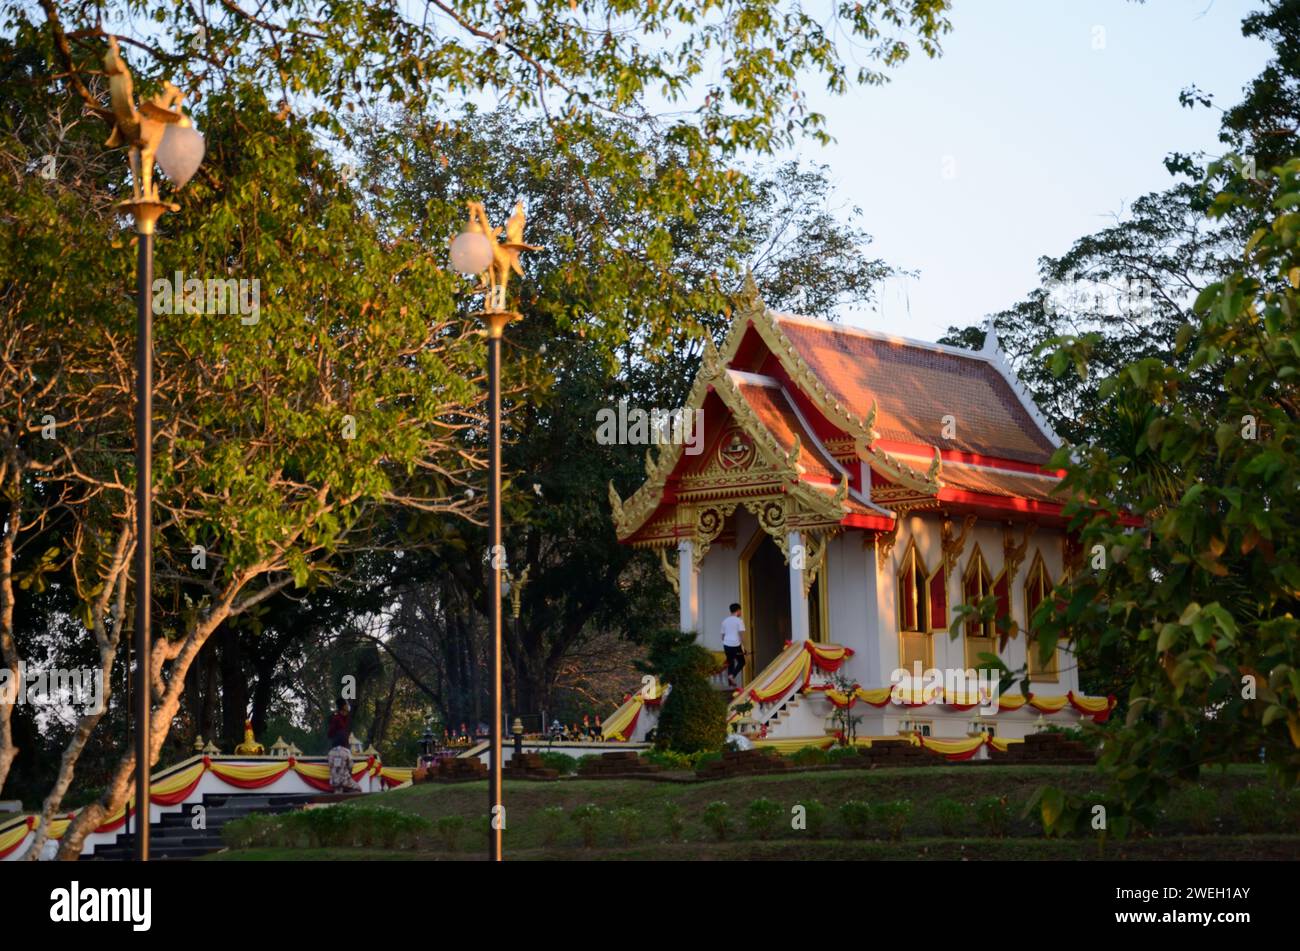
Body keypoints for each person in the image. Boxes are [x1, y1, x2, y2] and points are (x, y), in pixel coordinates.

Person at [327, 698, 362, 794]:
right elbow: (351, 766)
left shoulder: (330, 754)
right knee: (358, 789)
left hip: (334, 782)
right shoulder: (336, 718)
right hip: (345, 780)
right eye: (346, 705)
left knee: (338, 793)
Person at [721, 603, 746, 687]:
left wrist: (727, 642)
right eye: (740, 611)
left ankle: (730, 685)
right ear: (738, 610)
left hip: (726, 645)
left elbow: (722, 636)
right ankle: (732, 676)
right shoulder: (739, 621)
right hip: (736, 645)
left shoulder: (725, 621)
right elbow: (741, 635)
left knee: (730, 663)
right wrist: (744, 648)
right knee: (742, 662)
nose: (741, 613)